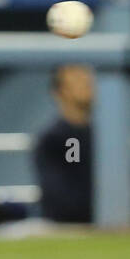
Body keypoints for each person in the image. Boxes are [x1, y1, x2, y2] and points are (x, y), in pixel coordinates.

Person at [33, 64, 94, 224]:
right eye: (77, 79)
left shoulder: (103, 135)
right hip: (66, 227)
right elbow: (64, 198)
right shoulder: (59, 138)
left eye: (87, 78)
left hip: (102, 223)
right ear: (60, 92)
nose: (87, 82)